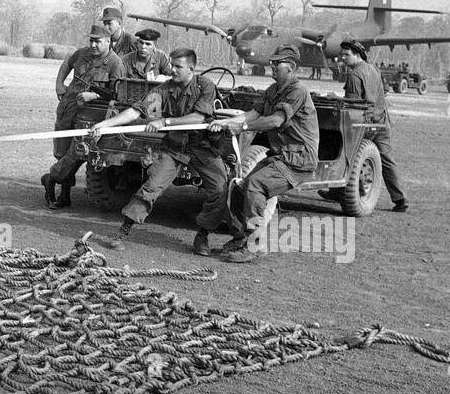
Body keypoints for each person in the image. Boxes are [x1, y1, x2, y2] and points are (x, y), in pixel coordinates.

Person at [88, 48, 231, 255]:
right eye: (172, 65)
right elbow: (136, 111)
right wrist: (105, 125)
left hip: (203, 148)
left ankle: (203, 235)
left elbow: (198, 118)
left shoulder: (205, 86)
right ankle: (123, 232)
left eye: (178, 66)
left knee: (219, 189)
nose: (172, 70)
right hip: (174, 148)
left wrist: (165, 121)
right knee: (151, 187)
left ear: (191, 69)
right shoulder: (165, 88)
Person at [208, 44, 320, 263]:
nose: (273, 67)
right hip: (282, 157)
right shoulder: (272, 90)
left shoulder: (298, 91)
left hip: (298, 160)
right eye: (273, 62)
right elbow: (250, 114)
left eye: (278, 64)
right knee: (240, 189)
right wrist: (222, 123)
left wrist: (242, 128)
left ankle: (255, 244)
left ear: (292, 67)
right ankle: (241, 239)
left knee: (256, 186)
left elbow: (275, 121)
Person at [42, 25, 125, 209]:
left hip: (91, 114)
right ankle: (64, 196)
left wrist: (94, 95)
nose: (93, 45)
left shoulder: (115, 63)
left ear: (108, 42)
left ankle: (51, 178)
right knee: (62, 153)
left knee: (78, 153)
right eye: (91, 41)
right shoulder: (81, 54)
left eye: (98, 41)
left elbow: (118, 93)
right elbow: (66, 64)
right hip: (68, 108)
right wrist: (59, 84)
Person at [336, 39, 407, 211]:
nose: (343, 58)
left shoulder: (354, 75)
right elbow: (385, 92)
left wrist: (335, 98)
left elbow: (352, 105)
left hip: (364, 125)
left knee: (344, 154)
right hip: (382, 122)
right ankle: (400, 200)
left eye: (346, 55)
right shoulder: (374, 69)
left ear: (357, 55)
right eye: (342, 54)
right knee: (387, 160)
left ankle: (337, 191)